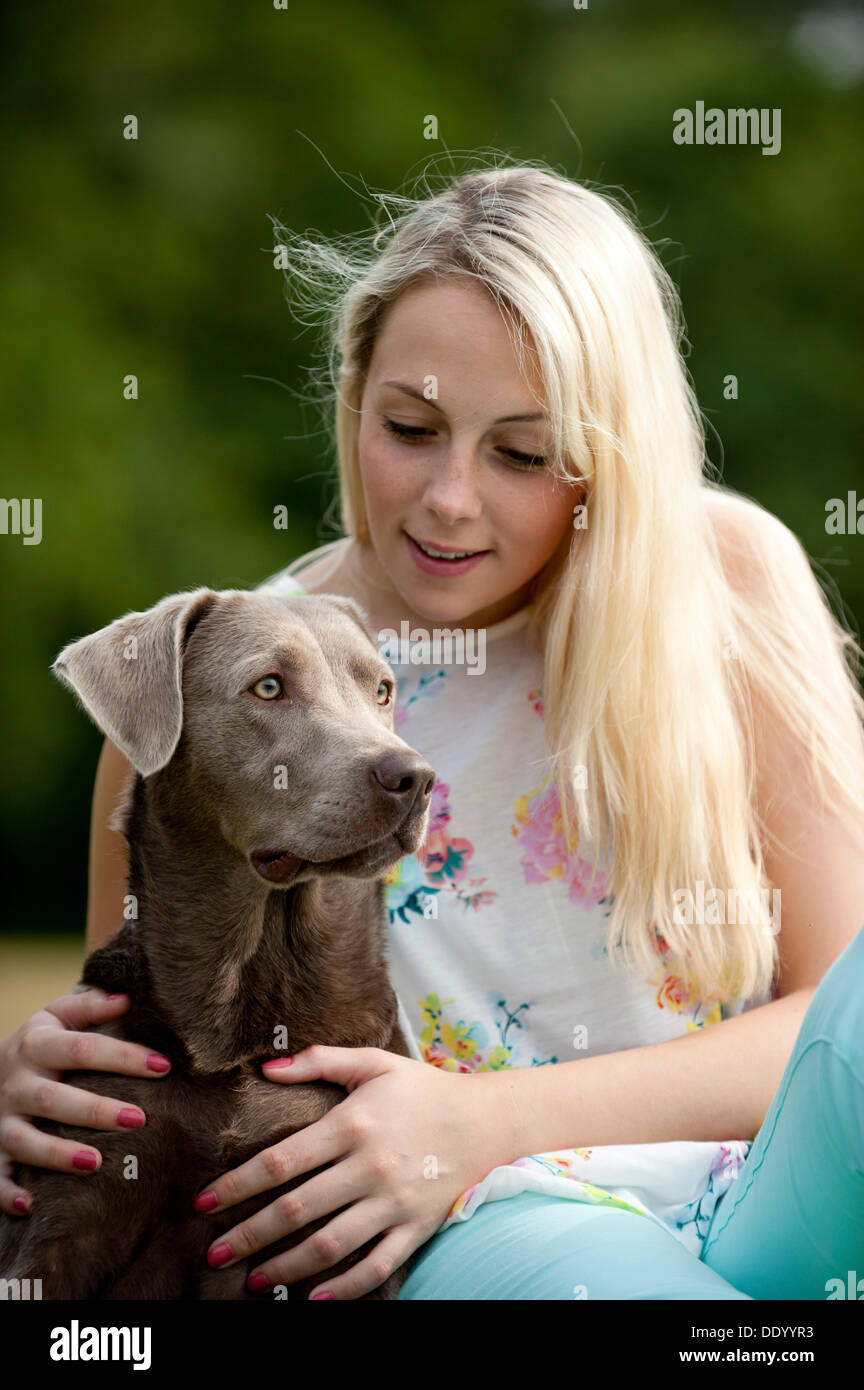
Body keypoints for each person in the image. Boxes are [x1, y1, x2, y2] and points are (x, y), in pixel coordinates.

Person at [2, 163, 864, 1301]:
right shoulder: (208, 700)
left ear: (611, 451)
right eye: (411, 427)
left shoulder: (724, 585)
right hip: (489, 1223)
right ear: (354, 390)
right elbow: (148, 1058)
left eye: (520, 452)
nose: (450, 498)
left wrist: (486, 1113)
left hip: (776, 1190)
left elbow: (831, 1019)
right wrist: (39, 1077)